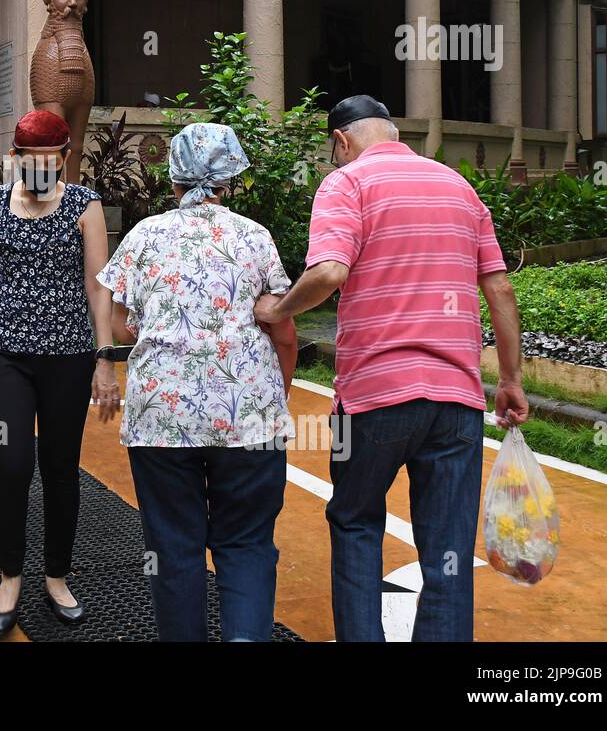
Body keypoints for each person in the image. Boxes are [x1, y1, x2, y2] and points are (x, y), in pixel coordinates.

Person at [254, 94, 528, 642]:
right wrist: (512, 381)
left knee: (356, 525)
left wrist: (277, 309)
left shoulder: (347, 183)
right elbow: (498, 286)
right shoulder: (458, 187)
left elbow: (330, 271)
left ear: (341, 140)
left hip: (371, 399)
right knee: (447, 549)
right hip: (456, 401)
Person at [96, 123, 298, 642]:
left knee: (173, 548)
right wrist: (275, 395)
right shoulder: (254, 237)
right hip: (247, 416)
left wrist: (156, 323)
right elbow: (286, 333)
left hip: (161, 419)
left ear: (175, 177)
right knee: (247, 544)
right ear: (231, 176)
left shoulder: (145, 235)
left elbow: (120, 323)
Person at [0, 110, 119, 636]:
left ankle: (57, 575)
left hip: (67, 355)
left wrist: (104, 360)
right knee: (11, 463)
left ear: (64, 159)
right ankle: (11, 575)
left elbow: (97, 285)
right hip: (6, 354)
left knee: (61, 467)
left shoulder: (85, 206)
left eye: (49, 162)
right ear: (14, 159)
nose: (39, 170)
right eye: (28, 161)